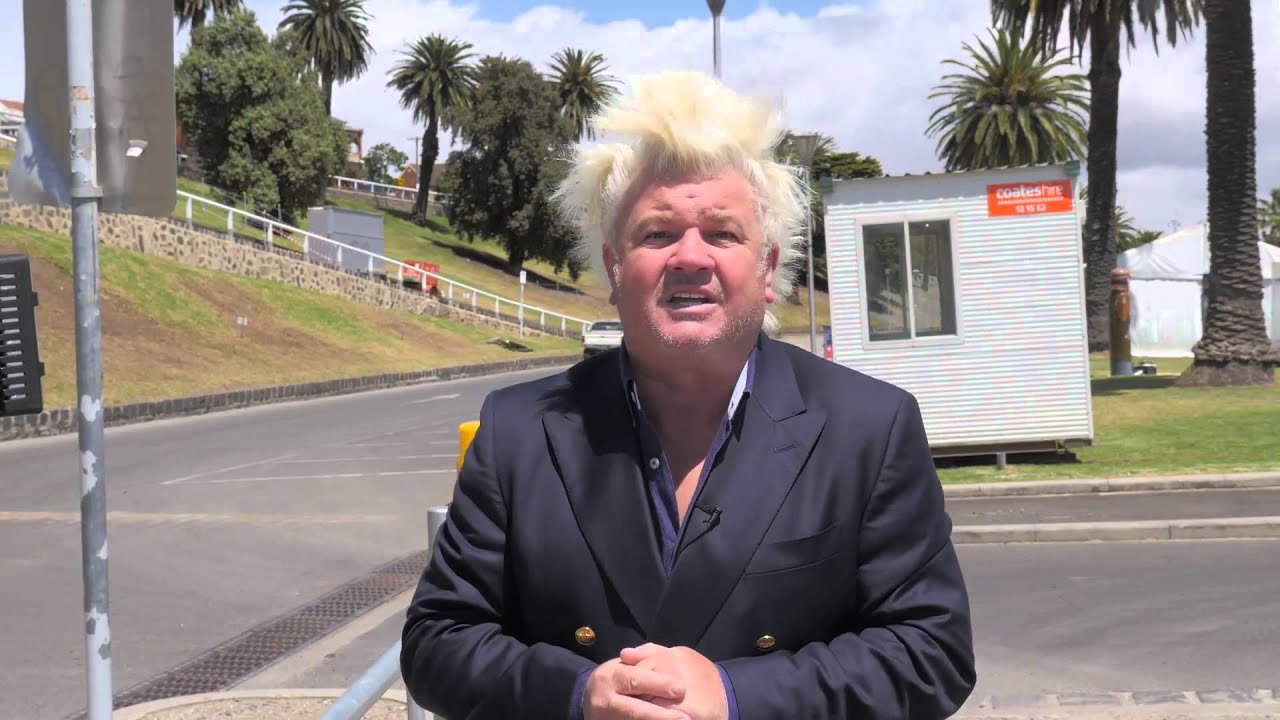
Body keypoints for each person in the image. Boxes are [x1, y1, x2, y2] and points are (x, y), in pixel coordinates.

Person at [401, 70, 976, 720]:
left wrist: (736, 696)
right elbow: (436, 642)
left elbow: (933, 651)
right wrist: (577, 694)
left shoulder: (869, 428)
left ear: (766, 268)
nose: (691, 256)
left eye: (722, 233)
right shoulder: (518, 431)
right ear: (614, 267)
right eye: (658, 233)